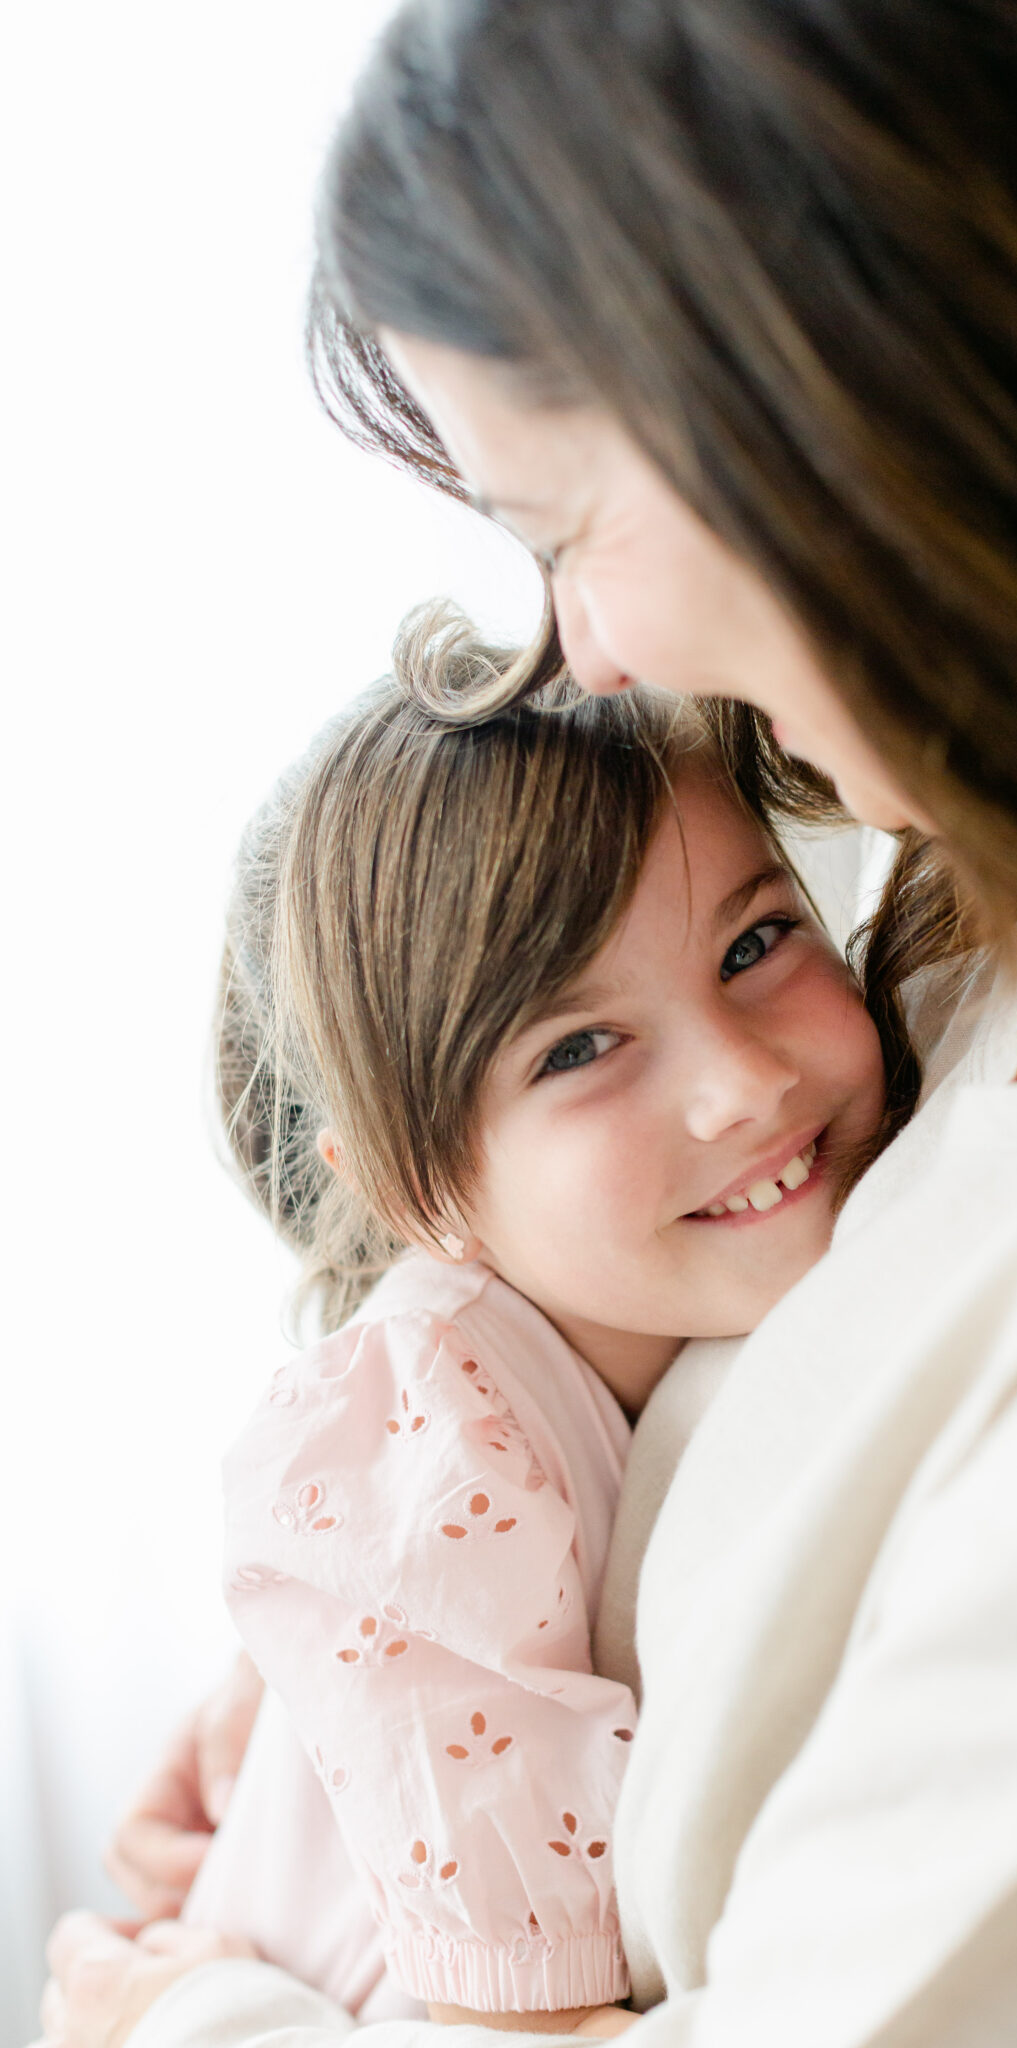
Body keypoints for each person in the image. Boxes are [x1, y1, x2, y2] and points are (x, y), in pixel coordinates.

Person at [41, 0, 1017, 2043]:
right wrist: (383, 1666)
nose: (584, 649)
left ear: (849, 422)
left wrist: (193, 2020)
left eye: (563, 528)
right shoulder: (992, 905)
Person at [108, 605, 888, 2039]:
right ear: (416, 1189)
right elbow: (521, 2031)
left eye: (756, 942)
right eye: (580, 1047)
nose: (745, 1084)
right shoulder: (432, 1430)